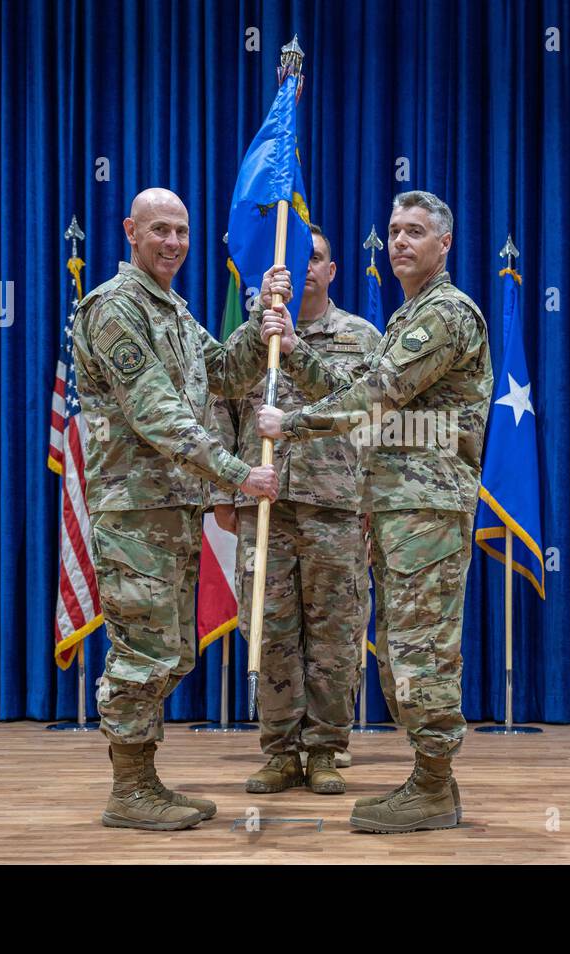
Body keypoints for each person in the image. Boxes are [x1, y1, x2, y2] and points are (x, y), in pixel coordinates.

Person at [256, 190, 493, 833]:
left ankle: (436, 787)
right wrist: (297, 357)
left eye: (416, 231)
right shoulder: (409, 315)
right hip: (399, 510)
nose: (400, 242)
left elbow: (378, 395)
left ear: (444, 244)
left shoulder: (445, 313)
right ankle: (426, 780)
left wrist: (293, 423)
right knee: (398, 648)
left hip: (427, 511)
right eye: (393, 231)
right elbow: (367, 400)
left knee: (422, 651)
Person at [72, 187, 287, 831]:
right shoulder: (114, 309)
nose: (172, 243)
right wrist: (237, 473)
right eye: (160, 230)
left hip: (171, 507)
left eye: (182, 232)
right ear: (129, 231)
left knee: (169, 651)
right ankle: (128, 790)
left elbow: (219, 372)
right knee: (143, 652)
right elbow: (158, 414)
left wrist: (261, 326)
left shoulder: (172, 311)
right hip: (135, 510)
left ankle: (145, 782)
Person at [206, 225, 381, 795]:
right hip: (265, 504)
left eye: (319, 258)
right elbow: (224, 404)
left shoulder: (361, 336)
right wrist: (224, 492)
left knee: (334, 634)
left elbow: (365, 411)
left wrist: (375, 506)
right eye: (297, 258)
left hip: (337, 505)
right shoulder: (255, 335)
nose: (306, 267)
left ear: (333, 271)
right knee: (271, 631)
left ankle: (327, 749)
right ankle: (280, 751)